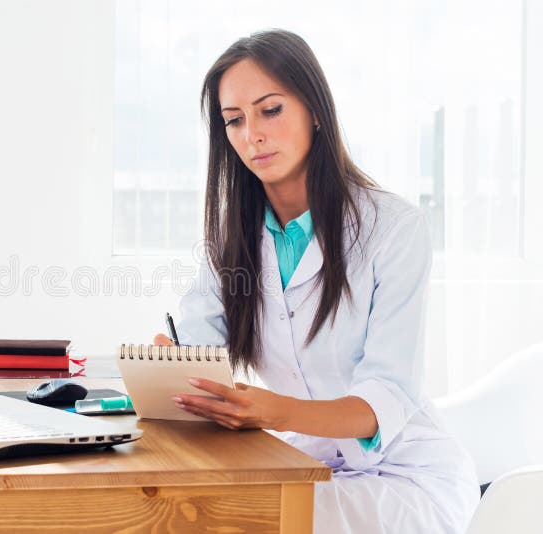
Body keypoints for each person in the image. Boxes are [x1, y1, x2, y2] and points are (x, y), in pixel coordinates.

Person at [153, 29, 480, 534]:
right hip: (305, 463)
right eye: (234, 120)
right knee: (183, 508)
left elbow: (385, 397)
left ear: (316, 111)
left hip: (405, 475)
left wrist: (272, 411)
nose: (251, 135)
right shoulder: (229, 240)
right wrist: (169, 370)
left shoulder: (394, 229)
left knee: (241, 521)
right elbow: (198, 353)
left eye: (271, 110)